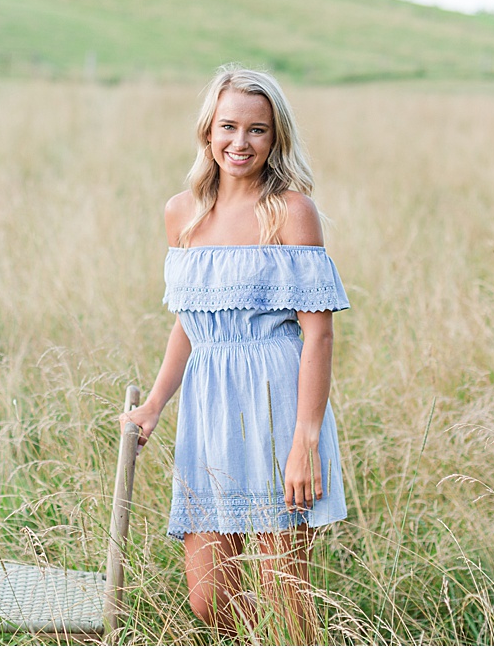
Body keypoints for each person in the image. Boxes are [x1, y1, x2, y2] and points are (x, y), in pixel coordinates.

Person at [121, 65, 349, 643]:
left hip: (278, 411)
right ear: (207, 132)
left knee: (285, 601)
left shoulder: (292, 213)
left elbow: (317, 334)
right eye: (228, 127)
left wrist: (306, 440)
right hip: (208, 414)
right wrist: (153, 405)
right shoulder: (183, 214)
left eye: (258, 130)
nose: (240, 143)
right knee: (209, 598)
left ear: (276, 139)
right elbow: (192, 323)